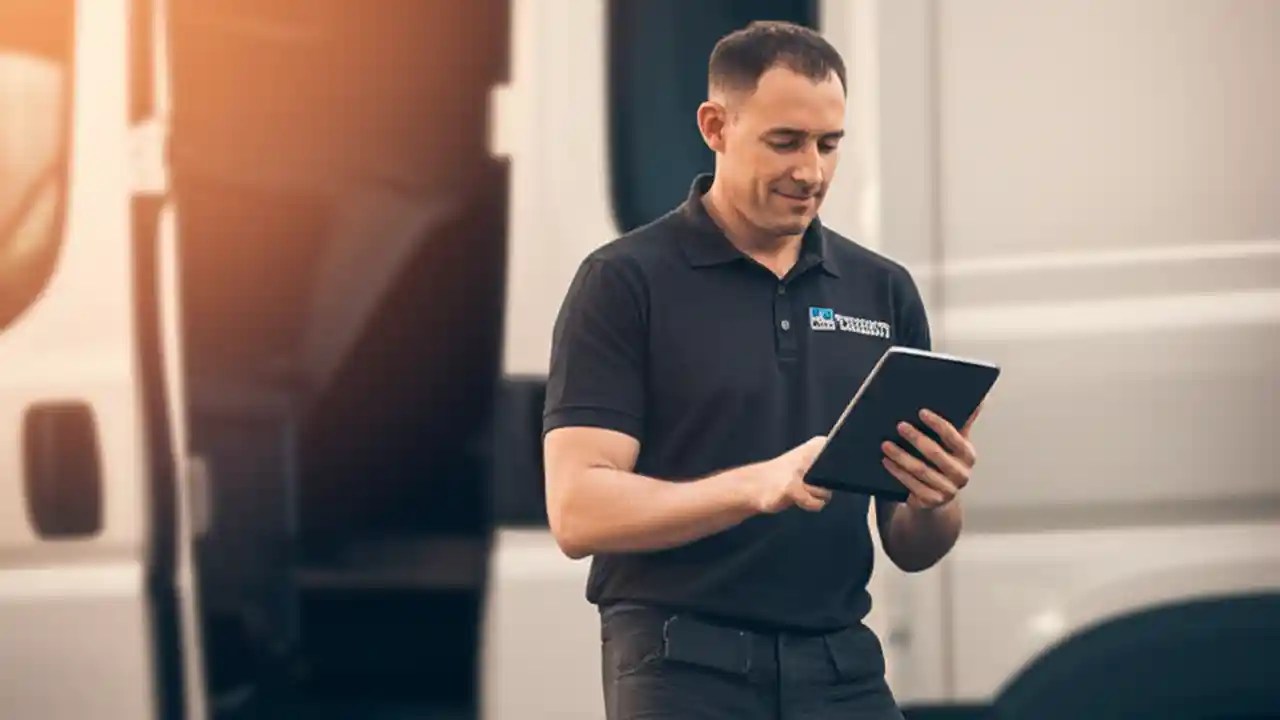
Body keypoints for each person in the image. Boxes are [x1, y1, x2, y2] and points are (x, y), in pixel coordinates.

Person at [542, 20, 985, 720]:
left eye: (828, 143)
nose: (810, 170)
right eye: (785, 142)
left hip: (841, 662)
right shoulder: (623, 282)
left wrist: (937, 497)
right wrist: (757, 486)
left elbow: (912, 547)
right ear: (716, 126)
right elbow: (577, 511)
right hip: (679, 660)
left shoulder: (882, 290)